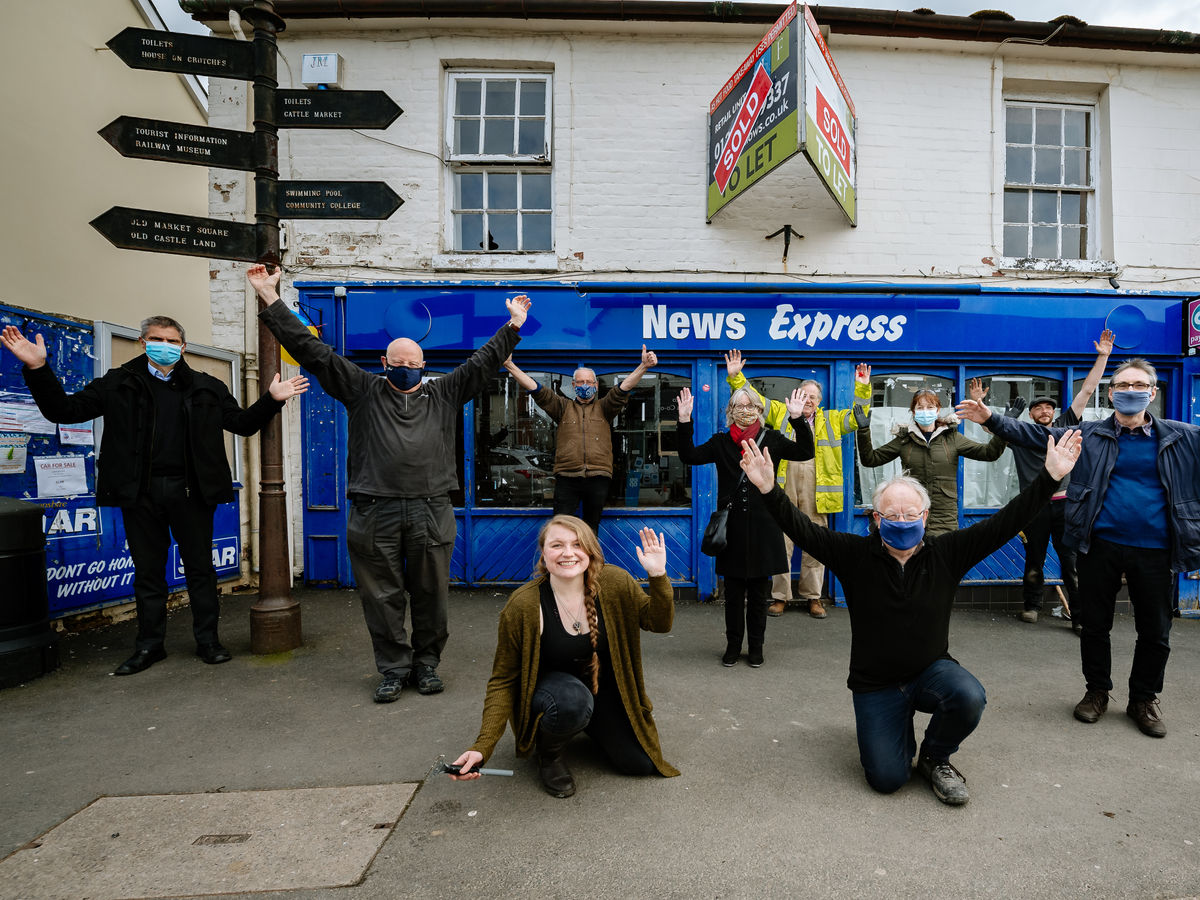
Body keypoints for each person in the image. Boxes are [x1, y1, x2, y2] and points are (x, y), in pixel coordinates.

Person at [739, 428, 1083, 805]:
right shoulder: (852, 554)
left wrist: (1050, 478)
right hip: (876, 684)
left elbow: (1005, 522)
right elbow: (800, 528)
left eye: (909, 514)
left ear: (925, 515)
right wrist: (769, 489)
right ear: (875, 518)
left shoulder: (948, 553)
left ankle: (935, 757)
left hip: (930, 671)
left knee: (969, 695)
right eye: (892, 514)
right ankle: (896, 729)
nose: (901, 521)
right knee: (887, 779)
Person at [248, 264, 529, 703]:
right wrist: (269, 295)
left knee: (431, 594)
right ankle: (394, 669)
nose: (404, 369)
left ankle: (428, 665)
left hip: (430, 510)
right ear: (384, 363)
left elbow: (482, 362)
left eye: (412, 364)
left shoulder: (444, 393)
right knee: (381, 597)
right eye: (397, 363)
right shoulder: (362, 389)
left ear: (423, 366)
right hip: (373, 511)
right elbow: (312, 350)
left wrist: (513, 325)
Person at [1, 319, 308, 675]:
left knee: (200, 571)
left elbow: (241, 424)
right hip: (140, 494)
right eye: (157, 339)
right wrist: (37, 367)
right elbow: (63, 411)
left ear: (183, 345)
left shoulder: (207, 386)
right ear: (143, 342)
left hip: (192, 493)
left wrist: (271, 399)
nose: (165, 345)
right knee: (148, 573)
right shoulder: (119, 382)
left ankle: (208, 641)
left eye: (172, 340)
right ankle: (149, 646)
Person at [957, 358, 1200, 739]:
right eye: (1122, 385)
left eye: (1139, 385)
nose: (1130, 391)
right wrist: (990, 419)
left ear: (1152, 393)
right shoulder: (1089, 434)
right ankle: (1097, 691)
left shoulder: (1183, 437)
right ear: (1111, 392)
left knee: (1155, 631)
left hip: (1156, 551)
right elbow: (1036, 436)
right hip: (1098, 546)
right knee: (1094, 625)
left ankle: (1144, 699)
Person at [447, 517, 678, 798]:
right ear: (544, 553)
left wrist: (658, 575)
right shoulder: (523, 605)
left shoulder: (615, 582)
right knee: (573, 701)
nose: (568, 553)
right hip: (552, 693)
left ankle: (588, 722)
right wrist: (482, 747)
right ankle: (549, 754)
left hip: (600, 690)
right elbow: (503, 680)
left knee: (639, 764)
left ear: (590, 551)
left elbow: (659, 622)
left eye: (577, 544)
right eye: (557, 545)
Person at [969, 330, 1115, 626]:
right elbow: (989, 429)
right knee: (1033, 559)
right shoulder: (1022, 435)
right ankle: (1032, 606)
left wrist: (1103, 357)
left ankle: (1079, 616)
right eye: (1039, 408)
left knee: (1071, 561)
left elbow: (1086, 391)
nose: (1045, 410)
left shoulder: (1065, 426)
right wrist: (981, 405)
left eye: (1049, 406)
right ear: (1032, 415)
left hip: (1066, 505)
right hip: (1034, 506)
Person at [676, 383, 815, 667]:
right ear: (730, 412)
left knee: (759, 592)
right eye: (739, 406)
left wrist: (798, 419)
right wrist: (683, 420)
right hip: (732, 528)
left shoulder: (772, 439)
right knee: (734, 593)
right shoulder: (721, 442)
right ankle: (732, 645)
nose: (745, 411)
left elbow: (805, 451)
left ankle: (756, 647)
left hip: (765, 526)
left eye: (751, 406)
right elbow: (688, 455)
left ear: (760, 411)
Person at [725, 351, 871, 618]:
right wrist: (736, 377)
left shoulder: (834, 419)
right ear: (796, 396)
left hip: (818, 493)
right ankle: (780, 596)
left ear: (820, 401)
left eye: (813, 397)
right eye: (804, 395)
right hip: (784, 488)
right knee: (782, 542)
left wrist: (862, 387)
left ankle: (813, 597)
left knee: (816, 544)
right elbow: (754, 401)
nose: (809, 400)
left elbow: (858, 416)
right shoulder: (781, 412)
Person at [502, 348, 657, 535]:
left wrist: (644, 366)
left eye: (589, 382)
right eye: (581, 382)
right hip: (567, 477)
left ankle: (590, 564)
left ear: (596, 385)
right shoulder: (562, 407)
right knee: (560, 528)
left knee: (591, 530)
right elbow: (537, 389)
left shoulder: (604, 408)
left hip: (598, 476)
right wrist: (509, 365)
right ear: (574, 385)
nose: (585, 385)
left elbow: (623, 388)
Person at [856, 387, 1006, 535]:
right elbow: (870, 459)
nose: (925, 411)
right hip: (912, 516)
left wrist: (1004, 427)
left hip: (944, 518)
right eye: (920, 407)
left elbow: (989, 453)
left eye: (930, 407)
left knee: (942, 557)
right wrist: (863, 431)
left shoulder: (951, 437)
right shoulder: (904, 440)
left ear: (938, 410)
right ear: (914, 412)